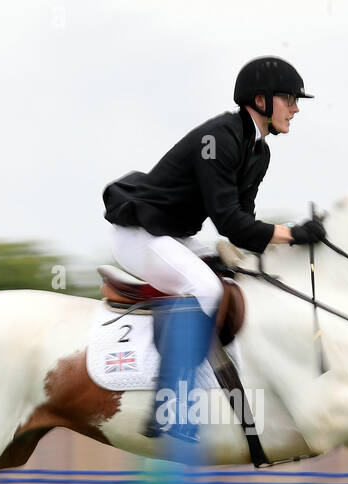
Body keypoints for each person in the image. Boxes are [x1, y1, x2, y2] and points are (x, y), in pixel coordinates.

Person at [102, 56, 327, 442]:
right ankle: (170, 403)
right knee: (206, 289)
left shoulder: (259, 153)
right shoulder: (218, 139)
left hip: (171, 235)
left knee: (237, 280)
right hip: (140, 233)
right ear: (260, 100)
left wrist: (288, 242)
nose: (295, 108)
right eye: (289, 98)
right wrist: (292, 233)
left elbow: (243, 228)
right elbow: (229, 222)